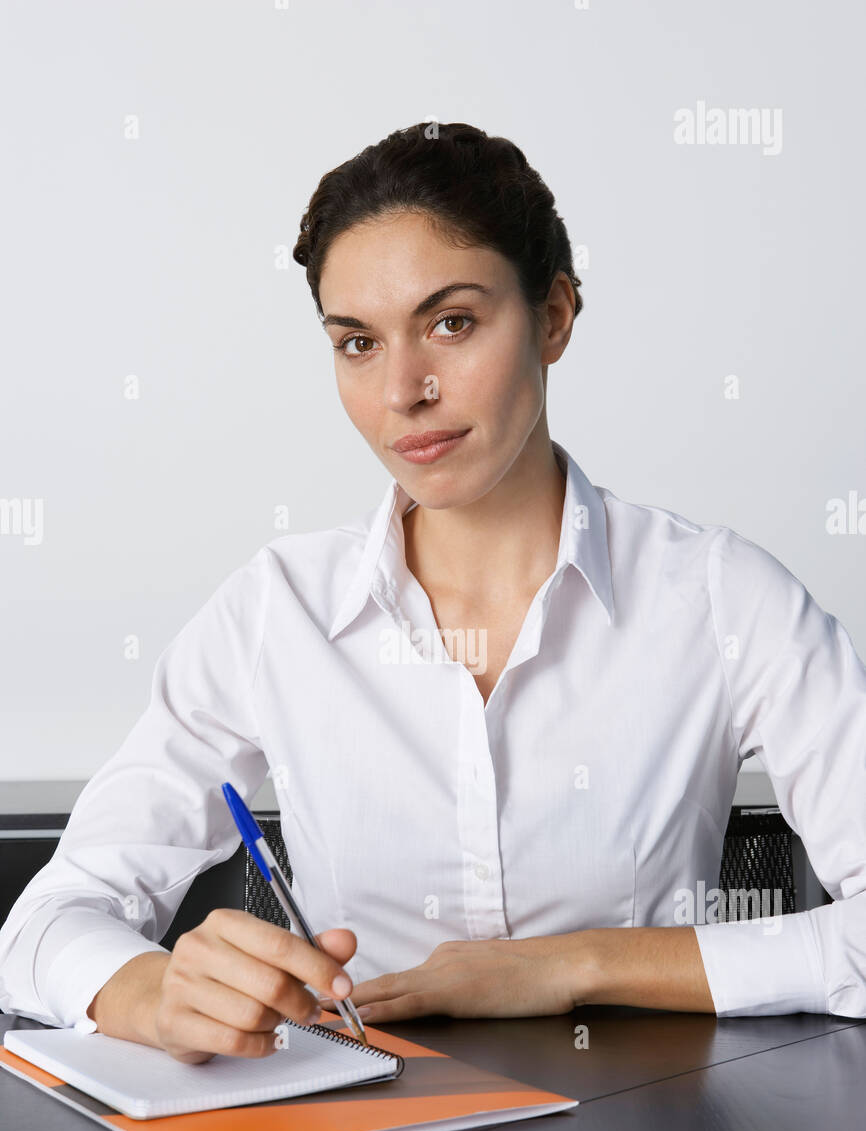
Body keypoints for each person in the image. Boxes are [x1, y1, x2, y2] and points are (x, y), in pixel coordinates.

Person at [2, 121, 864, 1065]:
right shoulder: (275, 613)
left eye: (451, 323)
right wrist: (151, 989)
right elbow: (44, 925)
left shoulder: (721, 598)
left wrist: (571, 965)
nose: (402, 390)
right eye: (358, 343)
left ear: (554, 317)